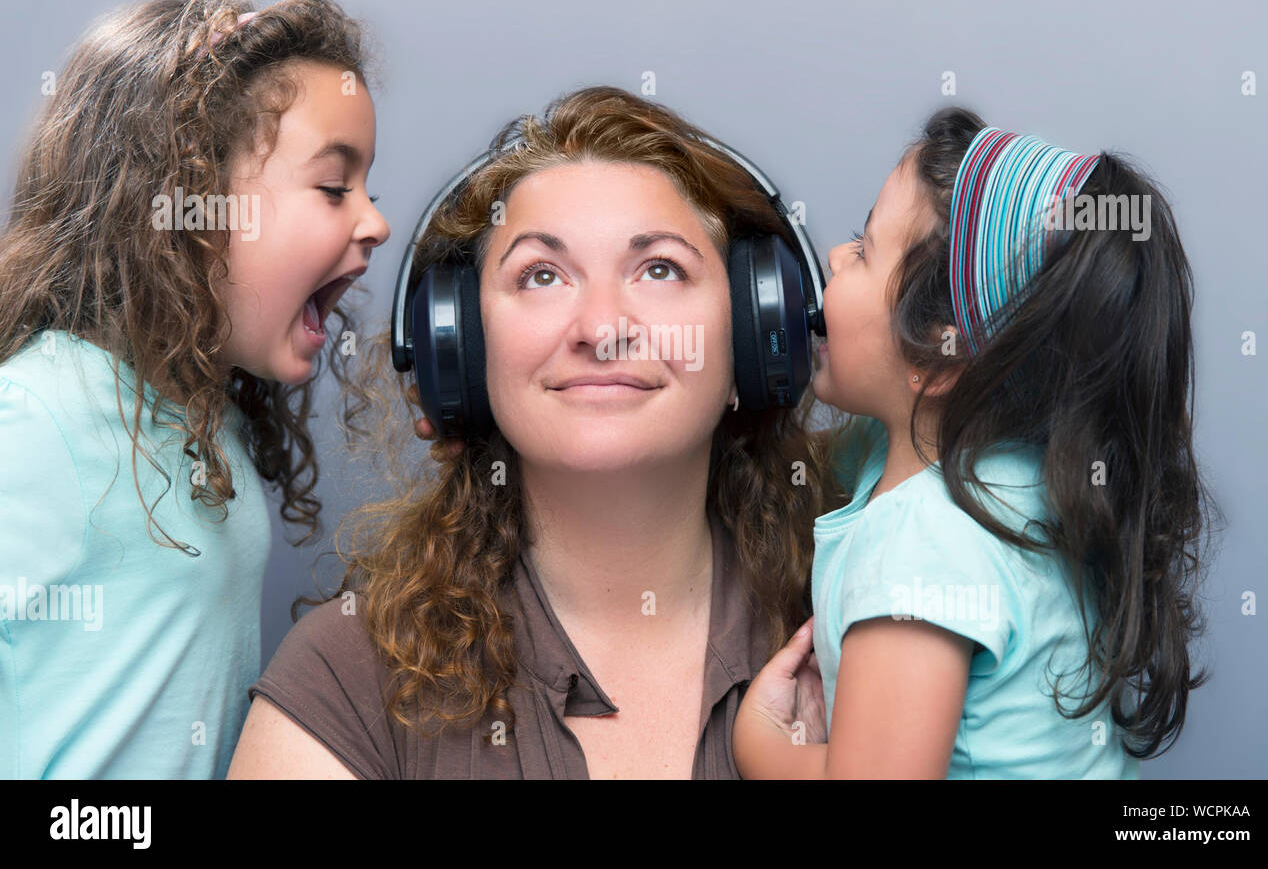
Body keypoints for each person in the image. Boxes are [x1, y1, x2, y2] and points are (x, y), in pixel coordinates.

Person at [227, 86, 840, 779]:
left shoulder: (876, 634)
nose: (601, 330)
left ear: (758, 343)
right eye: (542, 275)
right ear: (458, 351)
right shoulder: (347, 677)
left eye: (660, 269)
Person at [733, 108, 1220, 777]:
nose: (834, 259)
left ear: (937, 360)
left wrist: (762, 749)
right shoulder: (1027, 479)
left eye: (864, 248)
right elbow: (813, 460)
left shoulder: (919, 545)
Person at [0, 0, 390, 778]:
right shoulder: (40, 419)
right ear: (186, 203)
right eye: (333, 186)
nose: (376, 222)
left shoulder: (205, 418)